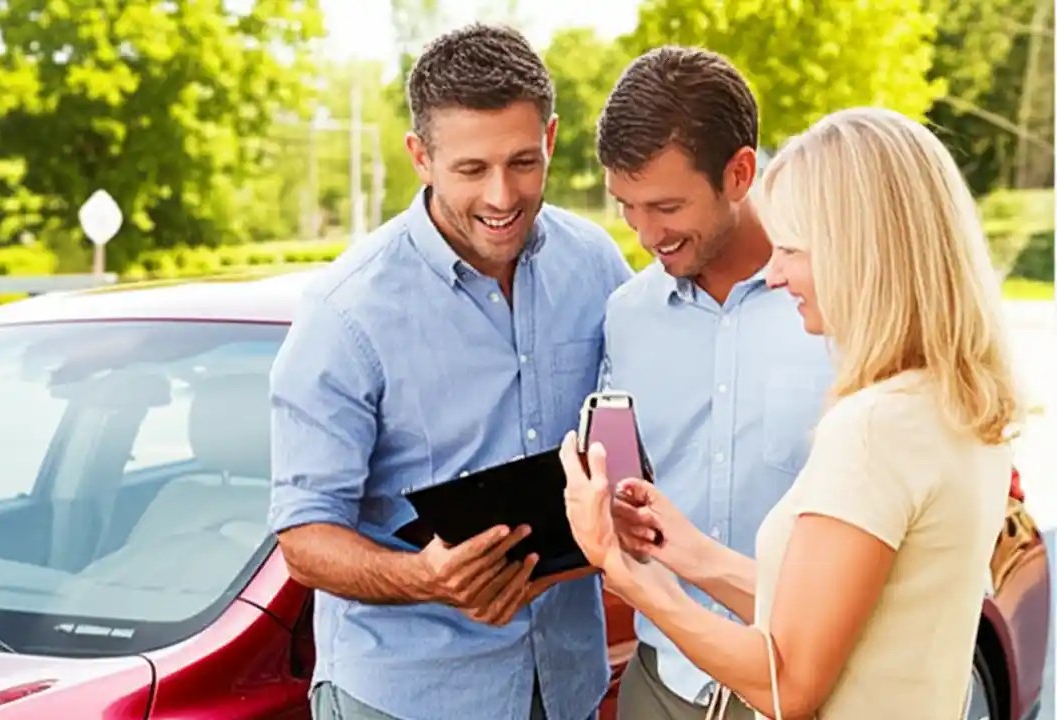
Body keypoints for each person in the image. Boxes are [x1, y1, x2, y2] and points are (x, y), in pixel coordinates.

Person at [561, 105, 1022, 719]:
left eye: (792, 250)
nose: (773, 276)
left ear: (861, 253)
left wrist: (622, 570)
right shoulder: (953, 401)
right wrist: (688, 550)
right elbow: (833, 613)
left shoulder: (871, 430)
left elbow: (789, 686)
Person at [266, 23, 633, 720]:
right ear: (421, 157)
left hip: (567, 686)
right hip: (407, 698)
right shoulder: (347, 315)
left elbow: (625, 447)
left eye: (524, 162)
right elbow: (304, 538)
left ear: (551, 139)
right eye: (472, 169)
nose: (502, 195)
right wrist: (424, 578)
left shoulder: (597, 268)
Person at [590, 46, 833, 718]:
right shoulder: (626, 316)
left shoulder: (838, 306)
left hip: (812, 686)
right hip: (662, 685)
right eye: (626, 206)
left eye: (665, 206)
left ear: (739, 172)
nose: (644, 234)